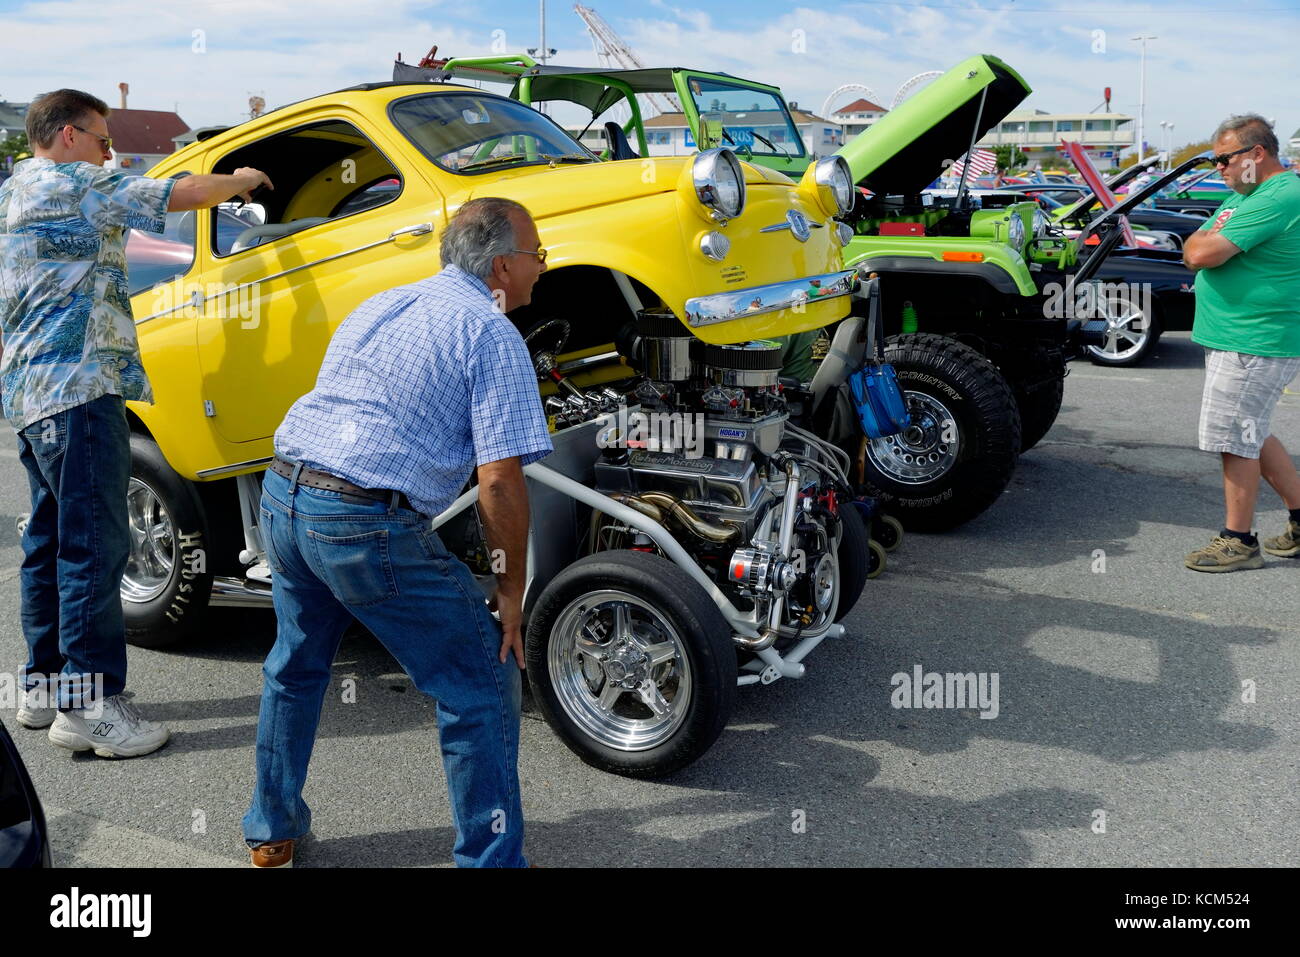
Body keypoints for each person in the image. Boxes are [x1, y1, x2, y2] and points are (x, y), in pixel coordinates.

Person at [242, 197, 553, 868]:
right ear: (503, 264)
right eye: (538, 255)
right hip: (359, 522)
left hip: (286, 496)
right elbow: (499, 481)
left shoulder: (384, 301)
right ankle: (491, 861)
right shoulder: (491, 330)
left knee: (294, 667)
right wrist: (511, 590)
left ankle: (272, 829)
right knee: (480, 677)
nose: (543, 267)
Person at [0, 89, 273, 754]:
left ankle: (43, 685)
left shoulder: (20, 189)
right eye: (99, 137)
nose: (108, 151)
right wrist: (239, 180)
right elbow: (172, 193)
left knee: (49, 541)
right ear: (66, 135)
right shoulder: (73, 182)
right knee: (95, 548)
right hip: (80, 388)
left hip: (35, 396)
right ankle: (89, 708)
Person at [1182, 114, 1300, 572]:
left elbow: (1199, 252)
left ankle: (1238, 539)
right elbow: (1198, 242)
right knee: (1252, 429)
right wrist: (1203, 239)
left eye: (1224, 159)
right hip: (1241, 338)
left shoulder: (1280, 195)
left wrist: (1203, 241)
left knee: (1237, 436)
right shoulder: (1246, 197)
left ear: (1256, 154)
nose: (1219, 169)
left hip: (1255, 340)